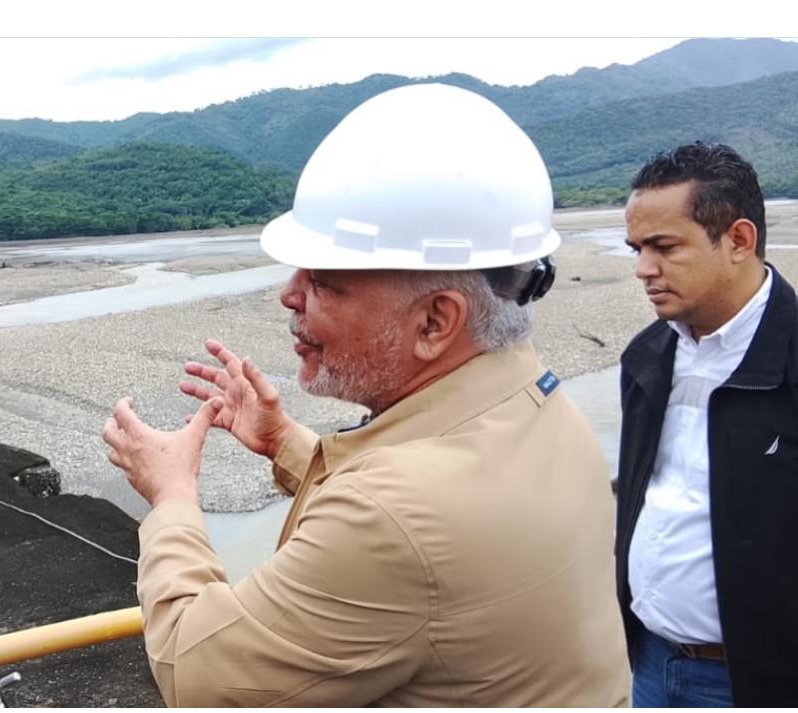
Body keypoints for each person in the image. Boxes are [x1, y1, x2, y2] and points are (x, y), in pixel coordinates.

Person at [101, 83, 630, 706]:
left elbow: (203, 678)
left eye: (324, 282)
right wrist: (286, 444)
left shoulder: (390, 515)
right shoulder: (540, 406)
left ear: (435, 322)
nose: (289, 295)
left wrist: (171, 498)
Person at [616, 142, 797, 707]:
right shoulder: (645, 357)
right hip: (649, 660)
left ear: (739, 240)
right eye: (637, 248)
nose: (645, 268)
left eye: (665, 247)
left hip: (755, 682)